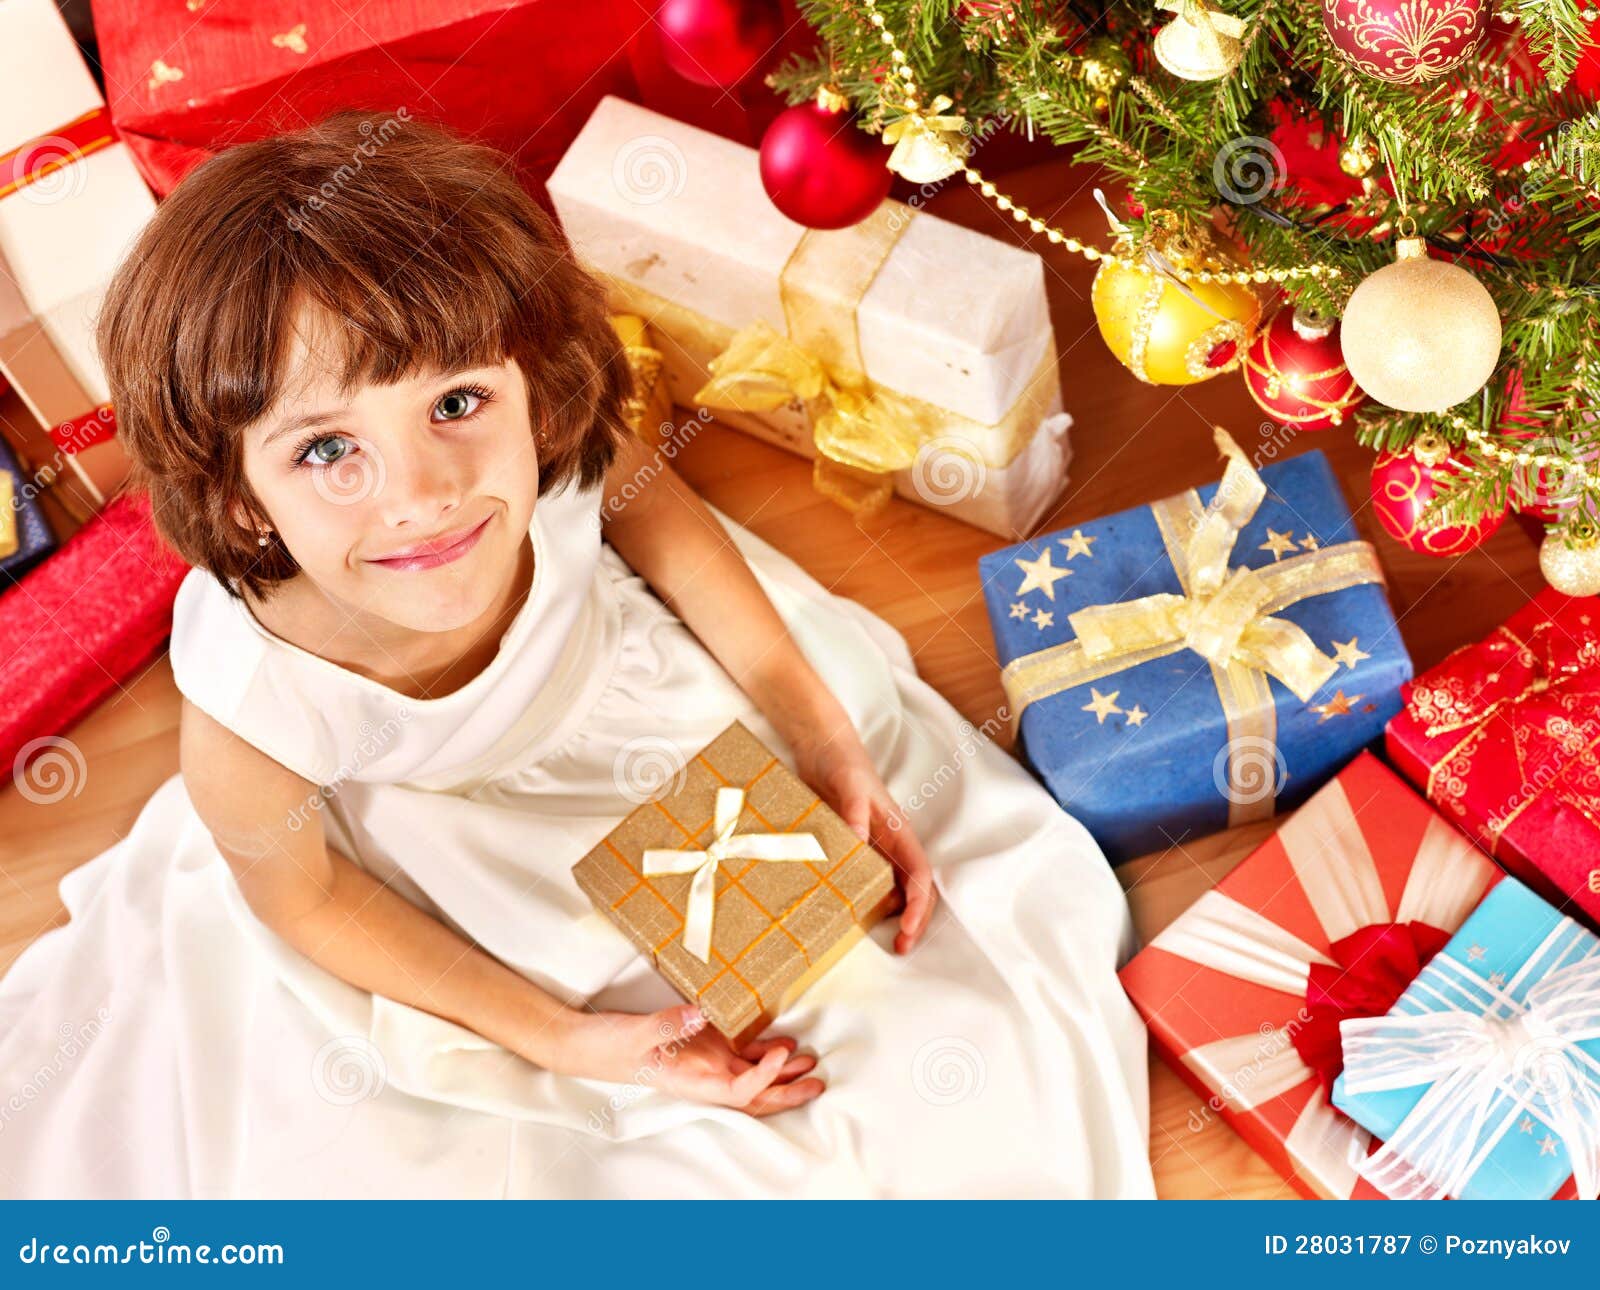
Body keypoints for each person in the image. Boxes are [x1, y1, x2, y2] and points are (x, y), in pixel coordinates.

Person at [0, 113, 1152, 1198]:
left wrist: (820, 732)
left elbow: (672, 536)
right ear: (238, 497)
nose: (422, 494)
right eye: (325, 450)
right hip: (449, 832)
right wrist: (566, 1040)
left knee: (932, 999)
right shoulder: (254, 700)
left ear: (532, 390)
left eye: (456, 401)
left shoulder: (559, 447)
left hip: (632, 697)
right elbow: (309, 903)